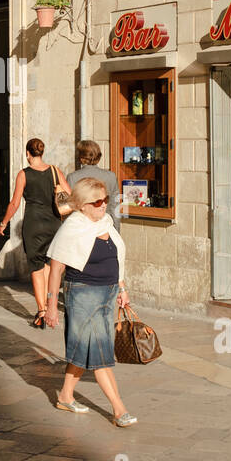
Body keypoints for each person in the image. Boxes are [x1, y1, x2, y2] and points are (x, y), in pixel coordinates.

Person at [44, 176, 136, 427]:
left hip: (107, 294)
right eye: (97, 202)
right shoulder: (72, 226)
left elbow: (116, 259)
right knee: (99, 352)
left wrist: (122, 287)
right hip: (83, 294)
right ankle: (119, 409)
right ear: (83, 204)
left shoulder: (106, 222)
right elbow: (55, 269)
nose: (103, 205)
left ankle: (65, 396)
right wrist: (51, 305)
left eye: (105, 200)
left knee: (85, 348)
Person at [0, 138, 70, 328]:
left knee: (36, 267)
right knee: (47, 264)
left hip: (33, 224)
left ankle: (42, 310)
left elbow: (14, 203)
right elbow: (69, 196)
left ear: (28, 154)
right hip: (54, 223)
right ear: (42, 153)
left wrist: (4, 223)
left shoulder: (24, 174)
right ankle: (47, 304)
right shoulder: (55, 171)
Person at [67, 140, 121, 230]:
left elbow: (69, 207)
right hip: (105, 226)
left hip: (81, 228)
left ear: (81, 157)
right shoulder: (111, 176)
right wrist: (116, 229)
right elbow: (116, 206)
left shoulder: (72, 177)